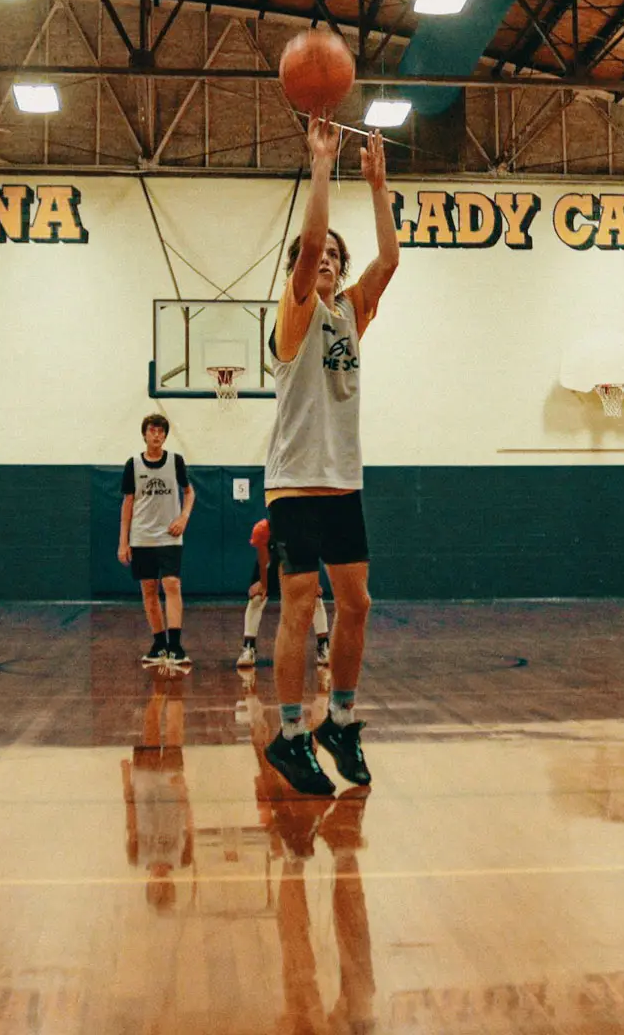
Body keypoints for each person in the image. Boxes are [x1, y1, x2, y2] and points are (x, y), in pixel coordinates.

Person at [260, 120, 399, 798]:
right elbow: (311, 239)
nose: (327, 262)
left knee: (358, 602)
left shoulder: (349, 314)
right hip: (293, 484)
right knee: (296, 604)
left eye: (335, 259)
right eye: (317, 259)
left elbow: (391, 261)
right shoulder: (296, 315)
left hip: (343, 485)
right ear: (299, 270)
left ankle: (339, 720)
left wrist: (378, 185)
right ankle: (290, 734)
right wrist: (321, 166)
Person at [120, 414, 195, 669]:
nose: (157, 435)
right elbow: (128, 503)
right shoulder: (133, 464)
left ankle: (175, 645)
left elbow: (189, 492)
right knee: (149, 590)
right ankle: (158, 644)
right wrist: (124, 541)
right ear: (145, 434)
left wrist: (183, 517)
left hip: (169, 536)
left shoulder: (175, 461)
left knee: (172, 584)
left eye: (161, 431)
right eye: (153, 431)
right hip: (141, 537)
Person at [239, 516, 329, 672]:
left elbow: (310, 557)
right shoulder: (263, 528)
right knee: (256, 599)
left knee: (315, 598)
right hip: (270, 566)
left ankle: (323, 646)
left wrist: (312, 582)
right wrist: (263, 582)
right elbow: (262, 557)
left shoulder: (307, 528)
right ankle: (248, 648)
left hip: (297, 567)